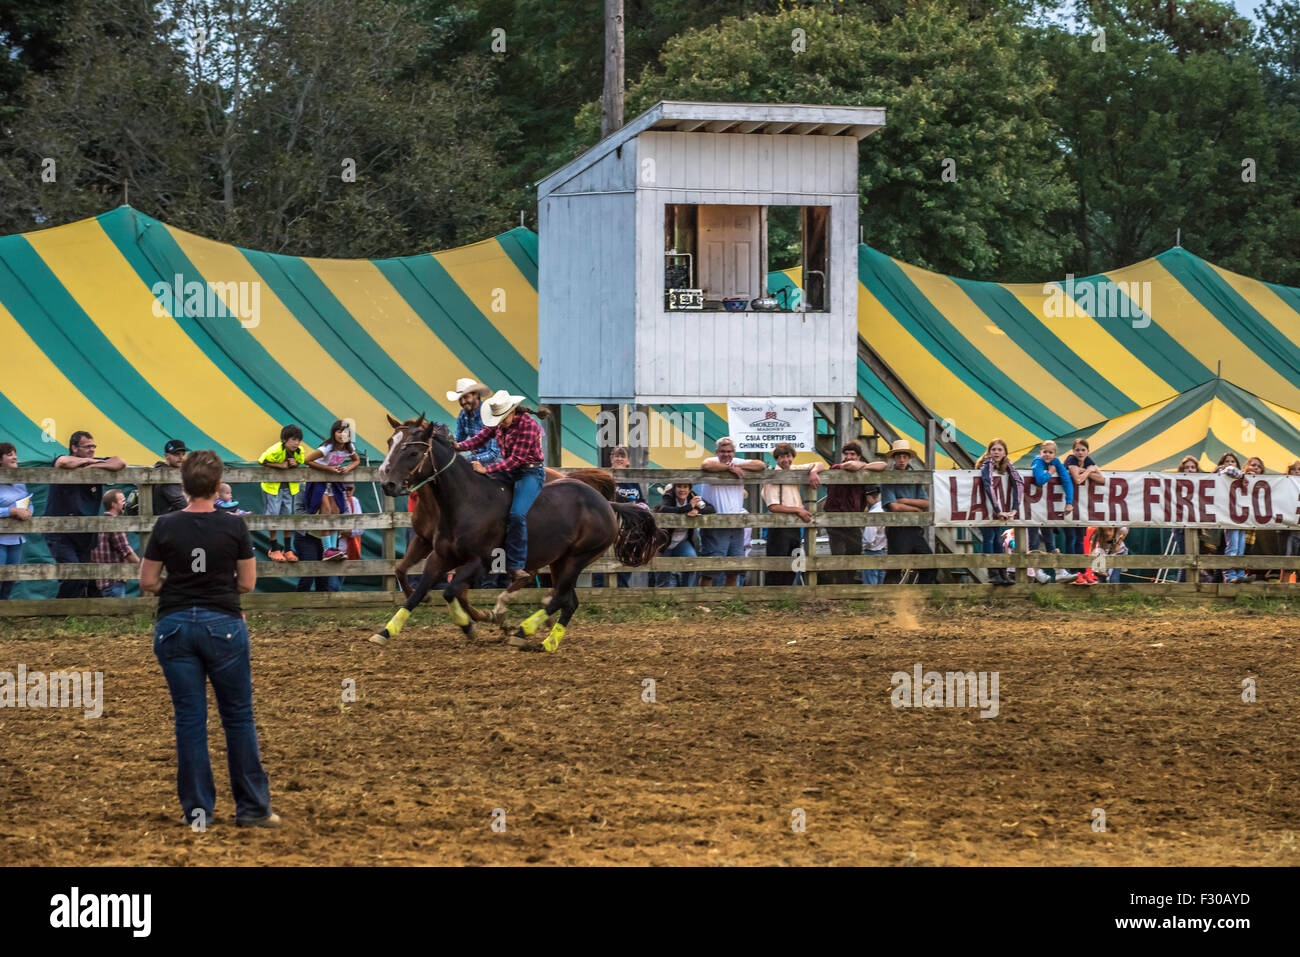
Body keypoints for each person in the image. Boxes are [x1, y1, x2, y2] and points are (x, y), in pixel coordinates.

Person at [139, 449, 278, 829]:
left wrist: (179, 586)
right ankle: (252, 808)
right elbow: (247, 584)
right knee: (237, 715)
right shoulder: (234, 526)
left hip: (175, 625)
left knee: (190, 720)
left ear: (183, 486)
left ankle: (198, 811)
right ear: (218, 487)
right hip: (224, 625)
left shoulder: (166, 525)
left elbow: (148, 582)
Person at [456, 390, 548, 583]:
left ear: (513, 411)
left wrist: (486, 469)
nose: (500, 422)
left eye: (503, 417)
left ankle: (517, 565)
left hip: (530, 472)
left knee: (517, 514)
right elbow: (479, 439)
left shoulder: (529, 426)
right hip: (509, 470)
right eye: (497, 418)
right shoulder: (497, 423)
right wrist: (458, 447)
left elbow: (517, 459)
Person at [45, 430, 126, 598]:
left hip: (85, 532)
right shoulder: (64, 459)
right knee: (73, 574)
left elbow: (120, 462)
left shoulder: (95, 463)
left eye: (93, 446)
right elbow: (63, 462)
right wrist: (89, 461)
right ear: (74, 448)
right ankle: (62, 611)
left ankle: (72, 613)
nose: (92, 450)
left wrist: (95, 465)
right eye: (87, 446)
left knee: (83, 577)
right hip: (61, 532)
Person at [697, 437, 767, 588]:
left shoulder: (738, 462)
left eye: (729, 451)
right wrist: (729, 468)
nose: (726, 454)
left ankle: (729, 601)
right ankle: (702, 600)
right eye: (722, 451)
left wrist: (736, 465)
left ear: (734, 452)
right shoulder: (712, 461)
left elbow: (760, 464)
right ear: (717, 452)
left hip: (736, 524)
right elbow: (706, 465)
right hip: (715, 524)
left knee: (735, 566)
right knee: (710, 567)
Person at [823, 441, 886, 584]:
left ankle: (849, 587)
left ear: (859, 456)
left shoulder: (863, 471)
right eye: (846, 454)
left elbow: (883, 465)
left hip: (854, 521)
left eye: (853, 454)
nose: (849, 457)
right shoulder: (836, 468)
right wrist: (862, 466)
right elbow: (850, 466)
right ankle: (840, 589)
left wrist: (863, 466)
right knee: (838, 556)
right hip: (835, 520)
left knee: (855, 552)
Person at [761, 442, 822, 586]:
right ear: (776, 459)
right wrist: (798, 510)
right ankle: (773, 597)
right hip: (779, 526)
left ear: (792, 457)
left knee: (794, 562)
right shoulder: (772, 476)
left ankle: (788, 595)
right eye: (781, 457)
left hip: (794, 526)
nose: (785, 460)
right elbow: (773, 506)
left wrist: (813, 472)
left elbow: (819, 464)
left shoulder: (795, 470)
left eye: (788, 456)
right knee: (777, 565)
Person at [879, 440, 936, 584]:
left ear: (909, 458)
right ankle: (890, 598)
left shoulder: (915, 477)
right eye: (899, 456)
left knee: (928, 562)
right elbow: (893, 507)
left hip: (914, 528)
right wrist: (916, 509)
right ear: (894, 458)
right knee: (895, 566)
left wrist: (903, 500)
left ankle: (921, 596)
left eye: (905, 456)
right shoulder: (888, 478)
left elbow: (926, 503)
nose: (902, 460)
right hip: (897, 528)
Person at [304, 420, 359, 561]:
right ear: (334, 433)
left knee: (336, 512)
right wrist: (329, 469)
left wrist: (347, 468)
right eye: (339, 431)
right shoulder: (327, 447)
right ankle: (327, 549)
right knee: (326, 511)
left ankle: (333, 548)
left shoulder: (349, 447)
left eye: (345, 432)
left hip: (333, 482)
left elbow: (356, 460)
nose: (342, 435)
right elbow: (307, 460)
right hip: (319, 481)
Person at [595, 446, 646, 587]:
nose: (619, 458)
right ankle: (600, 597)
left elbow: (640, 502)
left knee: (624, 563)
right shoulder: (605, 478)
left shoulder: (633, 481)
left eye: (622, 456)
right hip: (607, 527)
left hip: (628, 531)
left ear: (628, 460)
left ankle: (621, 596)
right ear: (611, 459)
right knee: (601, 565)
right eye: (615, 455)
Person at [976, 438, 1021, 586]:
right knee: (989, 537)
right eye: (993, 449)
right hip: (984, 507)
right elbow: (988, 484)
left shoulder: (1006, 464)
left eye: (999, 450)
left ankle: (1002, 573)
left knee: (996, 538)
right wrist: (998, 510)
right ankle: (993, 572)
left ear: (1005, 452)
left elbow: (1018, 482)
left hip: (996, 508)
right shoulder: (987, 463)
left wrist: (1015, 508)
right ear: (989, 452)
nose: (996, 452)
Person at [1029, 440, 1075, 582]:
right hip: (1031, 509)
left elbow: (1066, 480)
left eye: (1050, 452)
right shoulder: (1037, 461)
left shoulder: (1056, 462)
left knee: (1050, 540)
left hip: (1046, 509)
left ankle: (1059, 570)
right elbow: (1039, 480)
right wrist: (1049, 473)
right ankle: (1037, 571)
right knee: (1034, 541)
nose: (1047, 455)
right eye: (1045, 452)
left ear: (1055, 454)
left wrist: (1069, 502)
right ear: (1040, 452)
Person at [259, 425, 306, 562]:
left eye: (298, 440)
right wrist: (280, 465)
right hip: (272, 488)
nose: (296, 443)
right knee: (273, 515)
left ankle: (287, 548)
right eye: (293, 439)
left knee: (287, 516)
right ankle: (274, 548)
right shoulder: (275, 450)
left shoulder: (299, 450)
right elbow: (262, 460)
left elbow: (301, 461)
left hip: (288, 488)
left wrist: (295, 463)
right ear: (285, 439)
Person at [654, 482, 714, 587]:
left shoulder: (693, 496)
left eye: (685, 487)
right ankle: (661, 600)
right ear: (674, 488)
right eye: (679, 487)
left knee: (691, 562)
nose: (682, 490)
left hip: (682, 541)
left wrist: (696, 510)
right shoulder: (669, 496)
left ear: (690, 488)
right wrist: (688, 507)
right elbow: (664, 509)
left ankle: (686, 592)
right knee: (663, 572)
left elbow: (711, 509)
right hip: (665, 541)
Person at [1064, 438, 1103, 579]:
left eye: (1083, 450)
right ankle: (1072, 571)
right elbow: (1078, 479)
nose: (1080, 453)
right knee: (1071, 538)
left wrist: (1086, 470)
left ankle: (1082, 571)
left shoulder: (1088, 460)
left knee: (1080, 538)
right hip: (1066, 504)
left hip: (1081, 506)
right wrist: (1087, 471)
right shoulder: (1071, 460)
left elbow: (1102, 478)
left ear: (1088, 451)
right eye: (1077, 450)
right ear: (1073, 451)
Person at [93, 489, 139, 598]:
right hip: (114, 581)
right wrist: (142, 565)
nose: (125, 504)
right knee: (117, 613)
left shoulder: (98, 523)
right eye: (123, 501)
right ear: (114, 504)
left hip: (102, 581)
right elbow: (125, 550)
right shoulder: (115, 523)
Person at [0, 442, 32, 599]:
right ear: (0, 459)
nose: (15, 457)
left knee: (10, 579)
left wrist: (28, 511)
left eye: (15, 453)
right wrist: (11, 511)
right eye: (10, 454)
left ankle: (4, 611)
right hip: (1, 539)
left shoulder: (20, 482)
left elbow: (28, 501)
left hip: (17, 539)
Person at [448, 378, 501, 467]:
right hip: (476, 461)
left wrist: (467, 459)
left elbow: (494, 454)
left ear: (476, 395)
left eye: (466, 397)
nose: (463, 402)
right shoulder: (463, 414)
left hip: (497, 464)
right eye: (460, 399)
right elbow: (459, 437)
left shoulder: (490, 414)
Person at [1215, 452, 1246, 583]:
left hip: (1241, 515)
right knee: (1232, 546)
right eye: (1227, 461)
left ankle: (1240, 574)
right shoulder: (1221, 473)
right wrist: (1232, 470)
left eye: (1232, 461)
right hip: (1229, 515)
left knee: (1240, 546)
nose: (1230, 463)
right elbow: (1230, 470)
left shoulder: (1239, 476)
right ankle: (1229, 576)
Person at [152, 439, 189, 515]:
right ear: (166, 455)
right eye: (176, 454)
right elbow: (179, 501)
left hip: (162, 519)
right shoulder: (166, 474)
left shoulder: (159, 470)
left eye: (183, 454)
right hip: (169, 519)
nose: (181, 457)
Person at [860, 485, 887, 585]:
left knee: (870, 587)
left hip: (872, 552)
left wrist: (862, 546)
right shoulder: (885, 509)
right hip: (884, 551)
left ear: (869, 498)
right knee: (882, 585)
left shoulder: (874, 513)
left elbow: (869, 539)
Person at [339, 483, 364, 561]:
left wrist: (343, 532)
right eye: (345, 489)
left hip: (349, 549)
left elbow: (360, 529)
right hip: (333, 549)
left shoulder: (354, 501)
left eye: (350, 489)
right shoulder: (331, 500)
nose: (348, 492)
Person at [1284, 460, 1300, 584]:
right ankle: (1283, 586)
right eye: (1294, 469)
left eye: (1299, 469)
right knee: (1287, 559)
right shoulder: (1283, 484)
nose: (1296, 472)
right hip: (1288, 529)